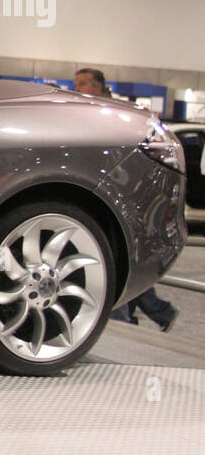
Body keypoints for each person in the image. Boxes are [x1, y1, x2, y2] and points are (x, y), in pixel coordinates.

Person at [74, 67, 177, 331]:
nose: (78, 89)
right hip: (100, 193)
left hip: (123, 195)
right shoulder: (85, 113)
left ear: (99, 86)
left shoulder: (117, 115)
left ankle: (125, 319)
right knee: (122, 262)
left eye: (84, 84)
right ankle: (150, 315)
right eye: (77, 84)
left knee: (117, 259)